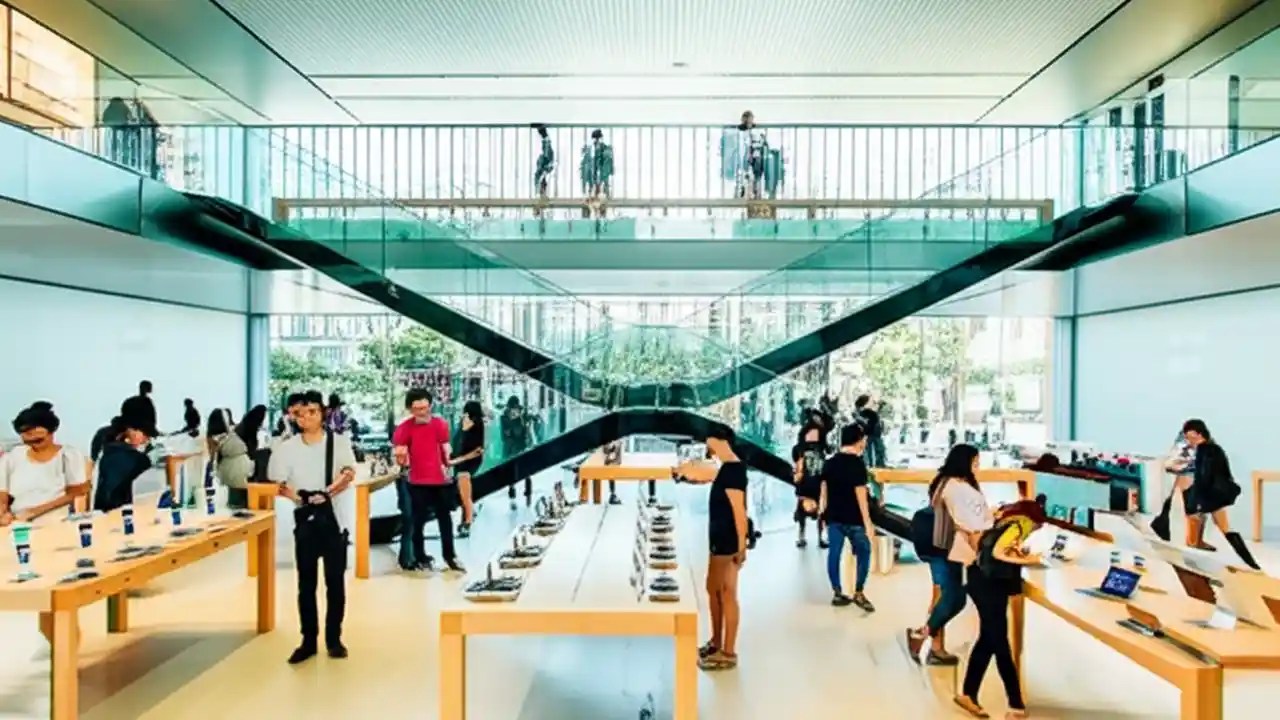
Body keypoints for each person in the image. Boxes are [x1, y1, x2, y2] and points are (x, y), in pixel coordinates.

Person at [268, 390, 357, 664]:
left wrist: (328, 491)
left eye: (312, 412)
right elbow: (278, 483)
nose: (305, 418)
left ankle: (334, 638)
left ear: (323, 413)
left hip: (335, 520)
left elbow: (349, 473)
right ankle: (308, 639)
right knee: (305, 584)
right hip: (305, 520)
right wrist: (299, 496)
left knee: (335, 583)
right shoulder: (286, 448)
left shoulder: (339, 442)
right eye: (300, 414)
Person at [954, 499, 1045, 719]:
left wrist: (1017, 554)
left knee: (988, 640)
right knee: (1001, 645)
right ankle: (1016, 704)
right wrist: (1032, 560)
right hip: (989, 586)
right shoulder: (1020, 525)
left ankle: (968, 694)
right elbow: (997, 552)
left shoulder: (1003, 522)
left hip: (981, 582)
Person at [907, 444, 990, 665]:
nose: (978, 467)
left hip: (943, 547)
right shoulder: (954, 487)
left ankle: (928, 640)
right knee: (950, 597)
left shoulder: (946, 482)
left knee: (953, 598)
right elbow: (967, 522)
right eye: (975, 462)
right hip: (944, 548)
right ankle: (925, 639)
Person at [675, 425, 748, 671]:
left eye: (710, 442)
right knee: (716, 590)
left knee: (723, 592)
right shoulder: (728, 469)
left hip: (726, 541)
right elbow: (708, 479)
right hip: (720, 538)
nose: (708, 447)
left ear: (721, 441)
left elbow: (739, 512)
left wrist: (741, 546)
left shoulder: (734, 470)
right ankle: (718, 643)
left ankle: (727, 651)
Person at [1158, 419, 1257, 569]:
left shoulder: (1205, 451)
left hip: (1210, 495)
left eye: (1190, 436)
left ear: (1198, 433)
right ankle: (1248, 561)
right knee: (1220, 526)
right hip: (1213, 494)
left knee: (1213, 525)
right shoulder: (1209, 449)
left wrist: (1199, 501)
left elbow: (1205, 476)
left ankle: (1248, 562)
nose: (1188, 439)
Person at [393, 388, 464, 573]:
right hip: (417, 481)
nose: (422, 412)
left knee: (445, 519)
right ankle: (420, 556)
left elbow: (445, 448)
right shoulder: (404, 428)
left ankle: (450, 555)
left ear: (430, 406)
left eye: (425, 408)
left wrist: (449, 465)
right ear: (410, 409)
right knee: (418, 521)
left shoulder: (440, 424)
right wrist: (401, 456)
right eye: (417, 409)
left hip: (440, 480)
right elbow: (399, 454)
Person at [819, 423, 877, 611]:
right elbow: (861, 496)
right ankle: (859, 591)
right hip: (854, 519)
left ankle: (837, 591)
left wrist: (822, 514)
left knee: (834, 553)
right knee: (864, 552)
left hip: (834, 517)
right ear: (859, 441)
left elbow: (824, 492)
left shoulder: (829, 462)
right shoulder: (857, 465)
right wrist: (868, 523)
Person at [0, 403, 88, 525]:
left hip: (57, 521)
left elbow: (76, 492)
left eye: (37, 433)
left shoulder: (68, 455)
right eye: (26, 433)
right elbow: (2, 493)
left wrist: (34, 512)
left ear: (51, 431)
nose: (33, 438)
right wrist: (2, 512)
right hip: (17, 522)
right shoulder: (12, 457)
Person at [93, 413, 155, 512]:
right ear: (131, 431)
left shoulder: (108, 450)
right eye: (144, 434)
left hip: (104, 509)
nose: (146, 439)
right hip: (115, 511)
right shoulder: (125, 456)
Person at [449, 400, 484, 538]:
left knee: (465, 495)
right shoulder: (463, 425)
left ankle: (468, 522)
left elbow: (477, 450)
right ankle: (466, 520)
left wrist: (457, 460)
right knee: (464, 494)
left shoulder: (476, 425)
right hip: (461, 462)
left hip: (466, 463)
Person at [791, 422, 828, 549]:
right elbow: (797, 465)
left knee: (821, 512)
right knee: (803, 511)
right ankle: (801, 536)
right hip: (805, 484)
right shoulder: (798, 449)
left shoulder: (823, 448)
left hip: (818, 483)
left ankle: (820, 536)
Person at [209, 408, 252, 509]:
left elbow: (212, 459)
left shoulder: (214, 438)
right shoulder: (233, 434)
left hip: (229, 474)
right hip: (245, 470)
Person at [500, 396, 532, 507]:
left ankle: (527, 490)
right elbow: (506, 435)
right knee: (511, 470)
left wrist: (522, 421)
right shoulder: (504, 418)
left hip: (521, 446)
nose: (515, 410)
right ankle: (512, 489)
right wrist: (516, 422)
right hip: (511, 448)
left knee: (526, 470)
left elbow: (524, 433)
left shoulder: (522, 417)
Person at [580, 129, 614, 205]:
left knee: (598, 185)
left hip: (598, 174)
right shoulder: (591, 149)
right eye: (596, 139)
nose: (597, 141)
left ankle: (596, 197)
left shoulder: (602, 149)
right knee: (597, 185)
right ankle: (596, 197)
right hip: (595, 174)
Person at [855, 394, 886, 468]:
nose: (872, 403)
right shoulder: (863, 412)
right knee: (870, 452)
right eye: (870, 401)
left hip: (874, 434)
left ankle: (877, 465)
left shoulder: (868, 412)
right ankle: (871, 466)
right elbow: (865, 422)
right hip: (869, 434)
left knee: (878, 450)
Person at [533, 123, 555, 199]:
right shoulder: (542, 175)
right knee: (548, 151)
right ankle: (543, 133)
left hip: (544, 166)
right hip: (545, 166)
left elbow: (539, 178)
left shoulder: (540, 176)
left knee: (548, 151)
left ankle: (543, 133)